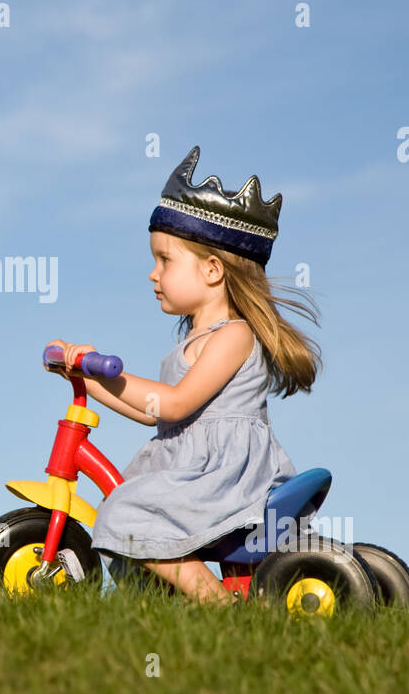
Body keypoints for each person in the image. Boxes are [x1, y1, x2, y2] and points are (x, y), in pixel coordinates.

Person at [47, 146, 322, 607]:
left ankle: (217, 603)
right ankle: (178, 601)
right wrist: (87, 379)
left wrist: (109, 372)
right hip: (191, 465)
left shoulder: (233, 336)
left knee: (126, 512)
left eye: (165, 261)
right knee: (129, 511)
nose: (153, 274)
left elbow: (173, 403)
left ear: (213, 269)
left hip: (224, 476)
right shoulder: (192, 341)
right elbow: (157, 414)